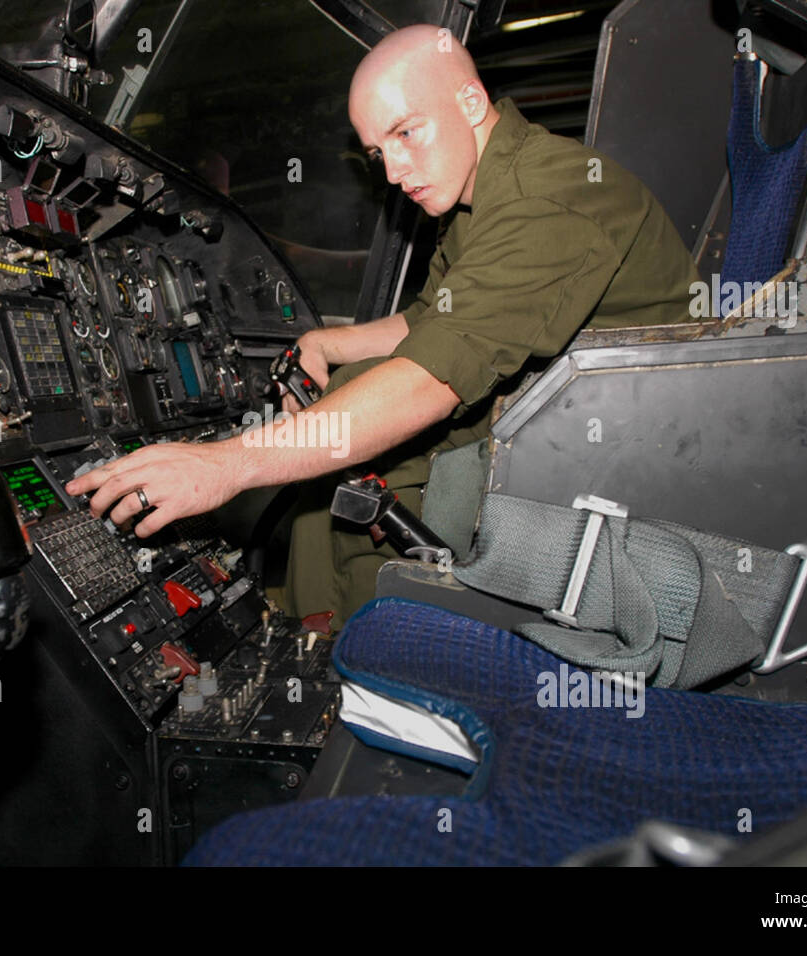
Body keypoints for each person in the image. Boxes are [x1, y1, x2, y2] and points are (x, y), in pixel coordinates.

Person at [67, 24, 700, 628]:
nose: (394, 173)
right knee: (341, 403)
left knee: (353, 433)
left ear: (471, 102)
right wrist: (325, 342)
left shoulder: (550, 199)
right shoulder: (485, 192)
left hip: (616, 456)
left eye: (406, 133)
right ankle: (314, 634)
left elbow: (432, 377)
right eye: (378, 152)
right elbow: (432, 319)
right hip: (557, 419)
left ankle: (358, 646)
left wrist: (223, 467)